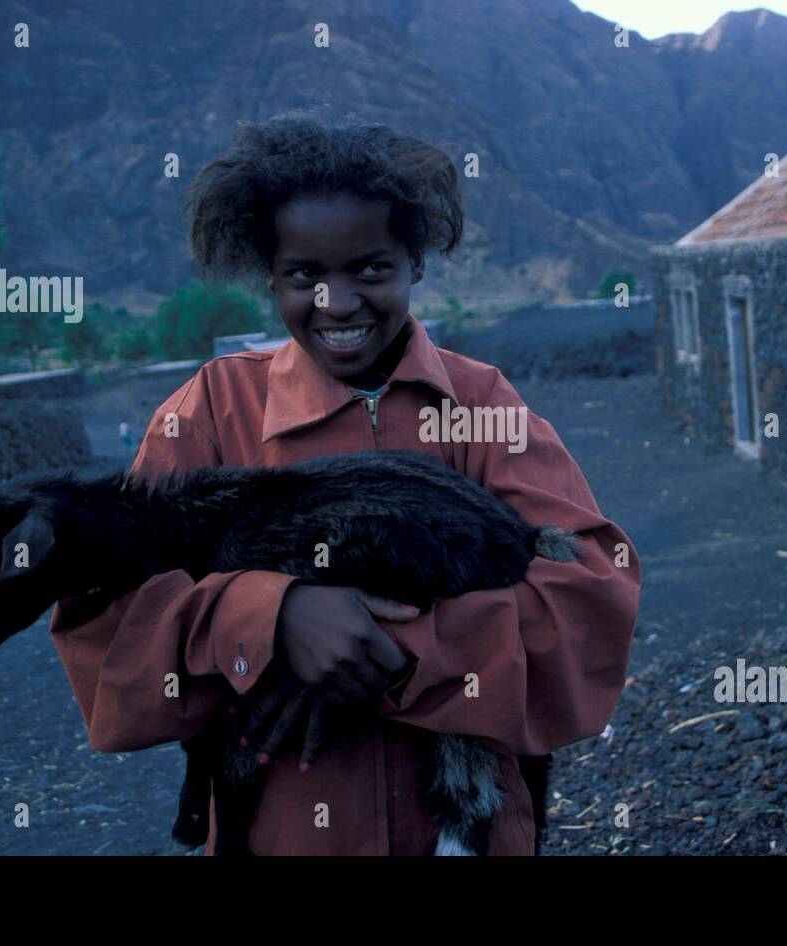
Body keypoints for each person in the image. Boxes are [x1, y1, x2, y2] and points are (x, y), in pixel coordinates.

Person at [48, 110, 641, 856]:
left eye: (370, 269)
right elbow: (105, 621)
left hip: (468, 834)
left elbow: (590, 595)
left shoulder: (483, 406)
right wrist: (268, 620)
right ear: (269, 273)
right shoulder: (209, 414)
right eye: (305, 275)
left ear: (414, 263)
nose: (338, 303)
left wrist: (392, 649)